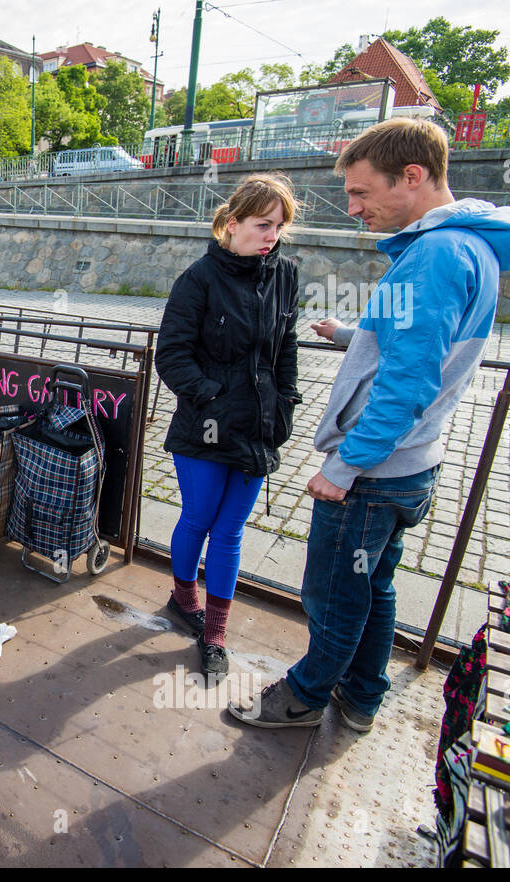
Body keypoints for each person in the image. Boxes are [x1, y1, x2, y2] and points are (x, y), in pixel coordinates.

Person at [229, 118, 510, 731]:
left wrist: (344, 467)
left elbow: (408, 382)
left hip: (374, 472)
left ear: (411, 177)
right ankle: (363, 695)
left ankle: (304, 696)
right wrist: (354, 336)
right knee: (375, 587)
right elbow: (415, 348)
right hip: (414, 465)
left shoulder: (436, 256)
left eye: (362, 193)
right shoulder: (467, 246)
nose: (352, 207)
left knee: (333, 595)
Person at [156, 173, 302, 678]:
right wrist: (210, 396)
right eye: (263, 224)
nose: (272, 236)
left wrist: (287, 402)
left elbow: (287, 347)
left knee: (230, 532)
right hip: (206, 426)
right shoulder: (199, 279)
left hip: (258, 427)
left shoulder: (285, 275)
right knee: (198, 519)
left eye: (279, 227)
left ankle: (215, 633)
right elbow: (171, 354)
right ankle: (182, 598)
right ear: (232, 222)